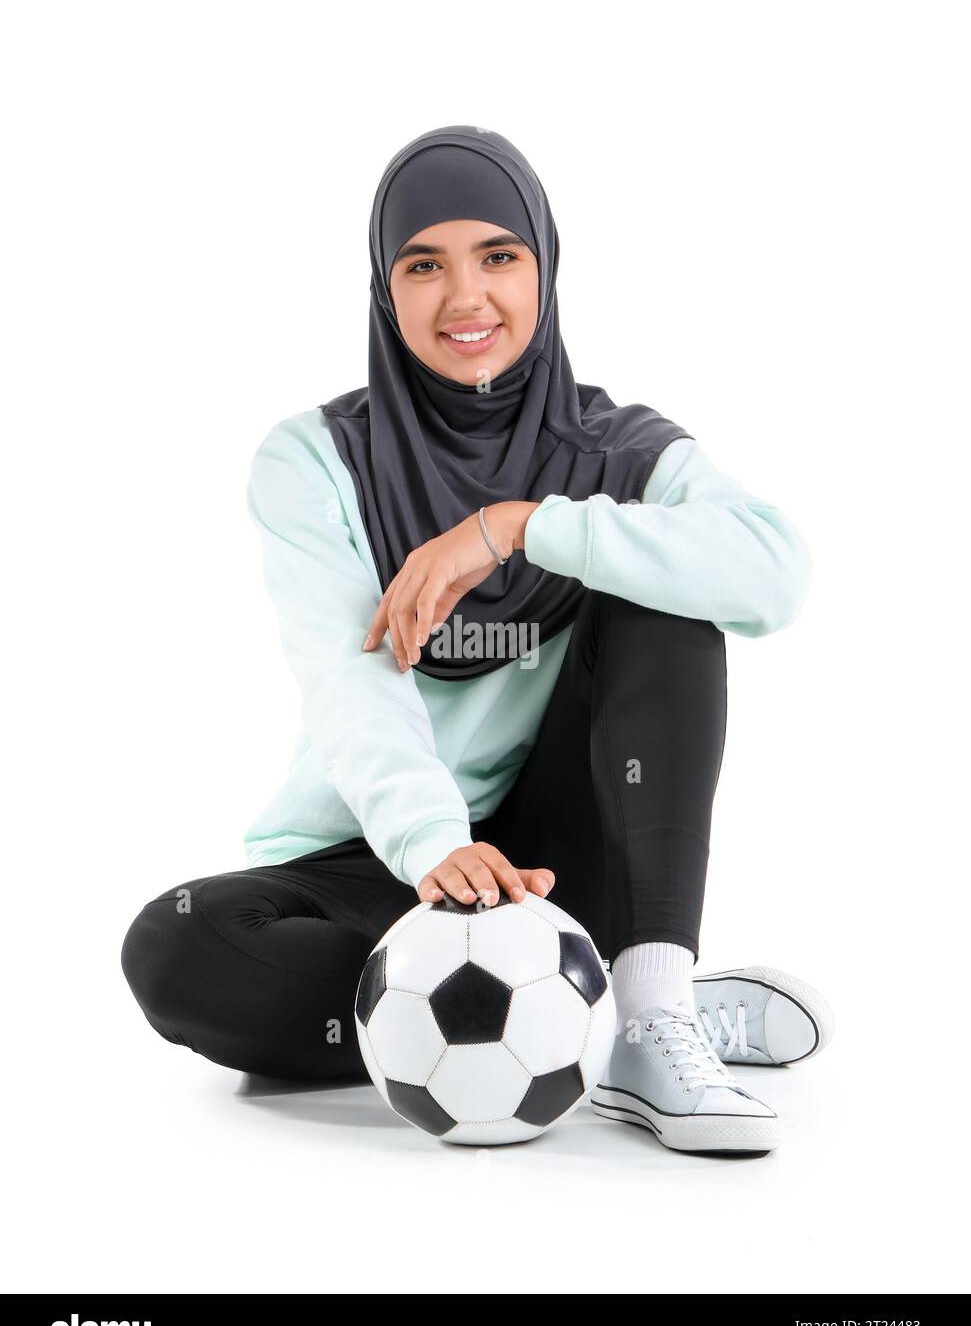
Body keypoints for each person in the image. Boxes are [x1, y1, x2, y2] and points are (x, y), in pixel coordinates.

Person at [121, 125, 831, 1157]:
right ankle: (600, 1006)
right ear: (384, 285)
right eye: (423, 264)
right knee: (178, 948)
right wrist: (436, 847)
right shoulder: (317, 460)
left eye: (498, 256)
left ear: (543, 267)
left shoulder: (617, 452)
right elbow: (346, 678)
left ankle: (645, 1006)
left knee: (662, 583)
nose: (465, 297)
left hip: (563, 861)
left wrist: (519, 525)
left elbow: (773, 573)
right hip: (383, 851)